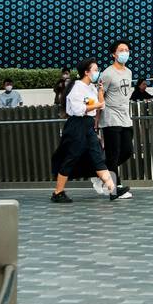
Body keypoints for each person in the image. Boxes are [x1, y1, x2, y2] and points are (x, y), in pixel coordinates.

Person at [50, 60, 130, 203]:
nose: (97, 72)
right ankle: (58, 192)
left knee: (97, 157)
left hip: (88, 124)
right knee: (71, 157)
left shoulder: (91, 87)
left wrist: (100, 91)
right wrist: (96, 105)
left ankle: (113, 190)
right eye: (95, 69)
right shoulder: (77, 87)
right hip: (77, 125)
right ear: (86, 72)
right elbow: (77, 109)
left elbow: (101, 105)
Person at [97, 41, 136, 199]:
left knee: (127, 151)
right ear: (114, 54)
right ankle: (115, 189)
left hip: (125, 117)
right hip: (111, 117)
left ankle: (102, 173)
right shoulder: (107, 73)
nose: (125, 52)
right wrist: (97, 120)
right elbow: (100, 94)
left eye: (127, 50)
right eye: (121, 50)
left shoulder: (129, 72)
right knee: (113, 154)